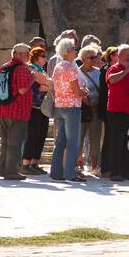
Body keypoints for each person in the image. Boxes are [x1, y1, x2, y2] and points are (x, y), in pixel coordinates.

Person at [48, 38, 87, 183]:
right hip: (72, 107)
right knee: (73, 142)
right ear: (68, 51)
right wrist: (85, 92)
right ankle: (70, 174)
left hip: (59, 106)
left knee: (60, 141)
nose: (76, 52)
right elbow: (77, 91)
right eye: (74, 50)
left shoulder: (58, 67)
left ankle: (56, 172)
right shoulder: (71, 67)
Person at [0, 43, 35, 181]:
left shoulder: (4, 67)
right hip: (18, 111)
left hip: (3, 109)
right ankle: (11, 171)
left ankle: (2, 169)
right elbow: (22, 90)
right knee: (15, 143)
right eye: (27, 54)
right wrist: (32, 79)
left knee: (6, 141)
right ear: (19, 54)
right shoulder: (22, 69)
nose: (29, 57)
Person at [101, 44, 129, 180]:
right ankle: (115, 172)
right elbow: (111, 80)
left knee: (128, 143)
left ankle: (125, 170)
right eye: (126, 54)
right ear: (119, 56)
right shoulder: (114, 68)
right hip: (116, 112)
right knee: (116, 143)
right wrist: (126, 71)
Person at [21, 45, 54, 175]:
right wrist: (48, 85)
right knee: (32, 135)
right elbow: (48, 85)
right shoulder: (31, 68)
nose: (45, 58)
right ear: (35, 57)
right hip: (34, 107)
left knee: (41, 135)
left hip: (43, 107)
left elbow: (49, 84)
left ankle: (35, 162)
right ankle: (25, 163)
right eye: (43, 56)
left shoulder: (42, 70)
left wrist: (47, 85)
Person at [76, 43, 104, 179]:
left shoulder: (99, 73)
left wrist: (96, 104)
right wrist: (84, 100)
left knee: (95, 138)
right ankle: (78, 165)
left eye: (95, 57)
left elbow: (103, 92)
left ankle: (94, 166)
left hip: (95, 110)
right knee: (79, 139)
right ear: (84, 58)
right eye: (91, 57)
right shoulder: (76, 72)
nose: (94, 59)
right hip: (81, 109)